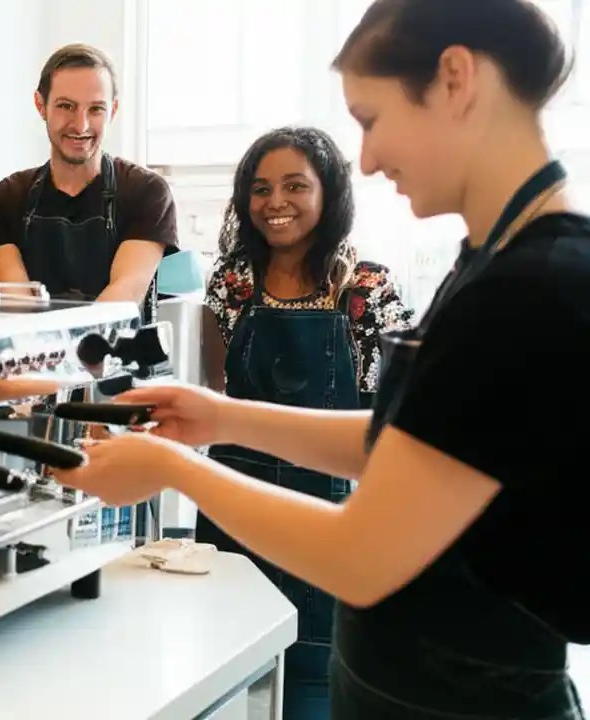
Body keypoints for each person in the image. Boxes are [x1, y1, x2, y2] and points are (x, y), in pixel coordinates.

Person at [55, 1, 589, 717]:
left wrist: (174, 467)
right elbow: (402, 443)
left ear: (456, 79)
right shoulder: (495, 261)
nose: (364, 159)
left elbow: (361, 559)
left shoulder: (531, 288)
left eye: (371, 119)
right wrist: (219, 417)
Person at [199, 126, 412, 719]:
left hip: (330, 518)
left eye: (295, 186)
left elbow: (388, 423)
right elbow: (216, 392)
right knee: (227, 677)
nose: (276, 203)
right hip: (235, 508)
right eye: (261, 189)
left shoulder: (366, 287)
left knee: (314, 691)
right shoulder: (231, 282)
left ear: (329, 193)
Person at [0, 44, 177, 321]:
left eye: (96, 109)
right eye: (66, 106)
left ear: (113, 111)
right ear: (41, 105)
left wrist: (79, 355)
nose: (80, 125)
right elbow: (17, 300)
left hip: (120, 358)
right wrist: (55, 359)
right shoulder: (7, 196)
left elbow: (125, 292)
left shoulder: (146, 192)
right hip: (38, 355)